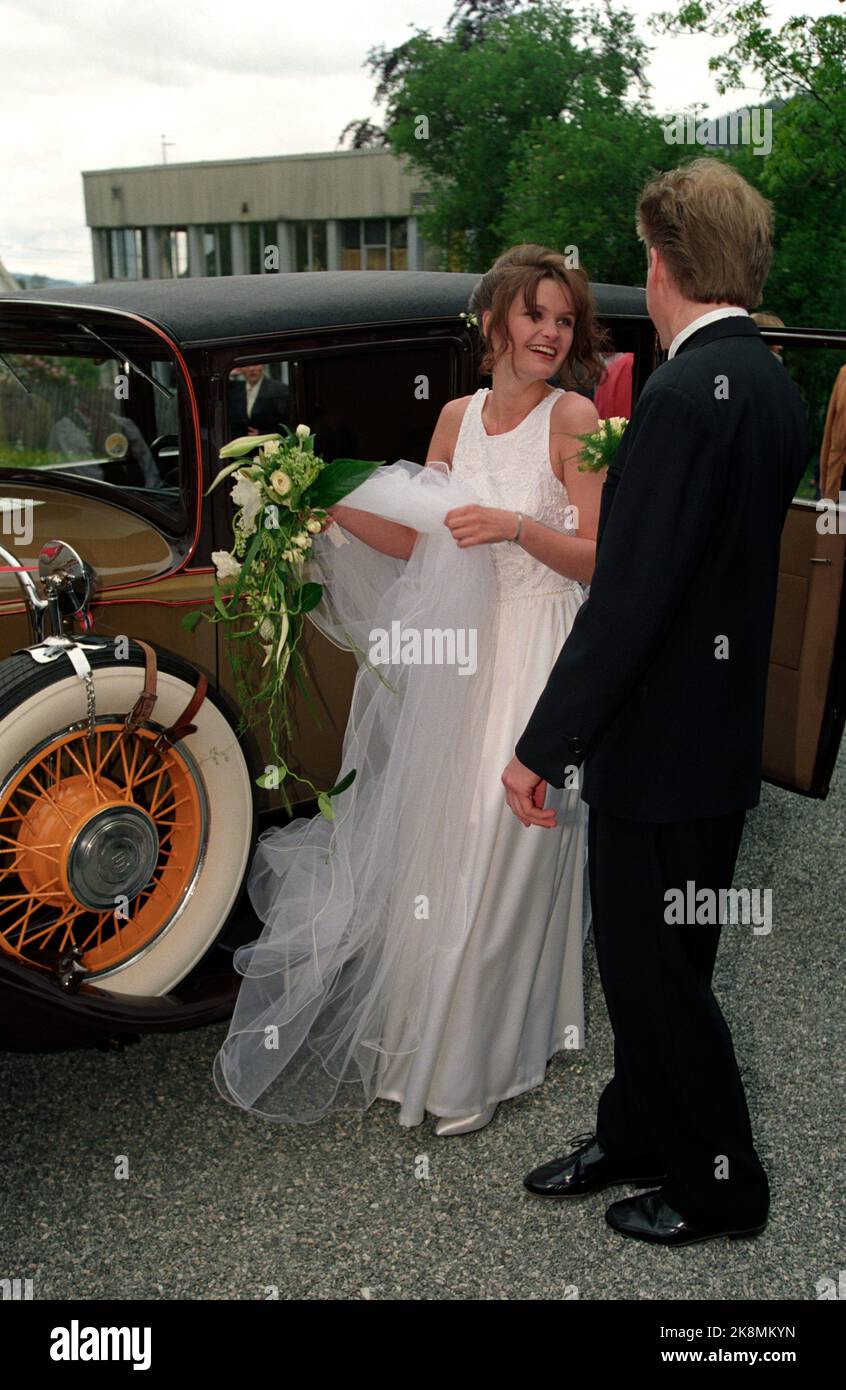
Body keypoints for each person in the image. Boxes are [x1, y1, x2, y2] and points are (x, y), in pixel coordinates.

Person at [213, 244, 606, 1134]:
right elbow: (426, 542)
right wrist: (328, 510)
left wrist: (513, 526)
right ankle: (426, 1044)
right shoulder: (456, 419)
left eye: (563, 319)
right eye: (534, 314)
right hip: (461, 652)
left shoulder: (573, 415)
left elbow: (597, 554)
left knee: (499, 835)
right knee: (439, 838)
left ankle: (478, 1063)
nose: (549, 332)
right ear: (495, 320)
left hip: (539, 641)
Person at [503, 158, 808, 1245]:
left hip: (665, 748)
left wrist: (543, 742)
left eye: (644, 252)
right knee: (660, 963)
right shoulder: (770, 381)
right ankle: (635, 1129)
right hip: (710, 742)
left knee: (660, 977)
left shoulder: (684, 394)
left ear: (670, 260)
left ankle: (725, 1186)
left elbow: (630, 602)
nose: (644, 269)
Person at [228, 363, 290, 438]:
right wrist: (229, 373)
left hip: (270, 445)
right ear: (240, 369)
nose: (251, 369)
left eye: (256, 364)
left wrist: (263, 434)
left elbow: (288, 426)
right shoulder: (235, 389)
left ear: (263, 365)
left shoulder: (279, 390)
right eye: (246, 365)